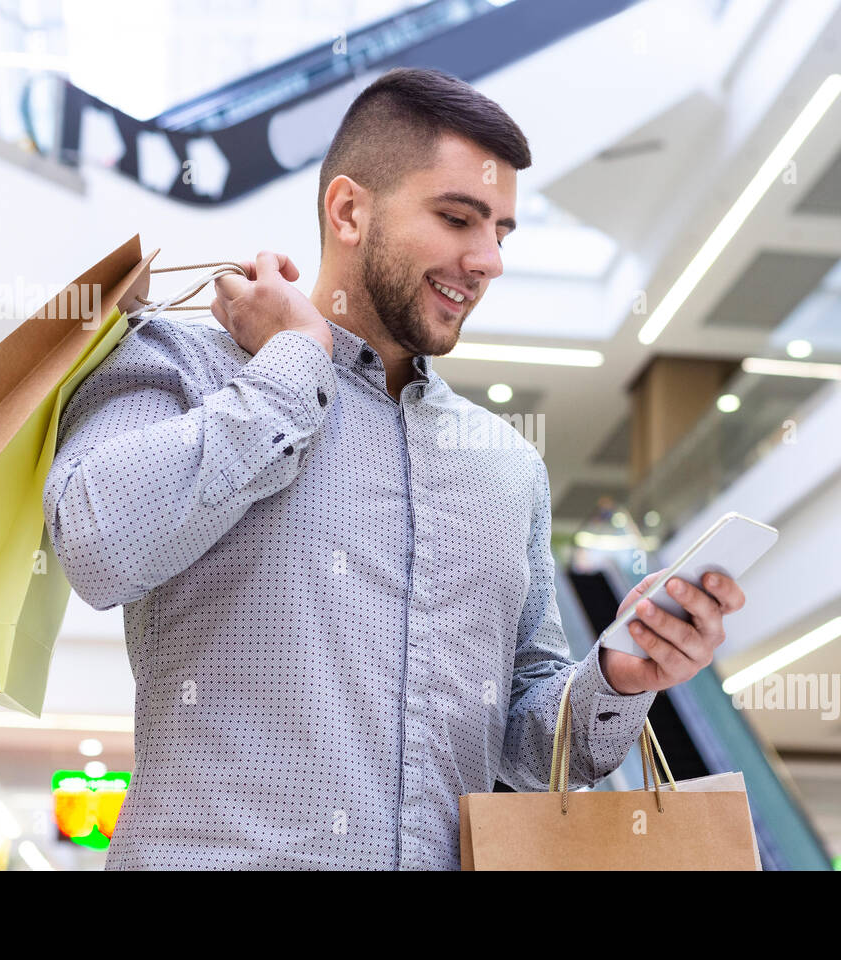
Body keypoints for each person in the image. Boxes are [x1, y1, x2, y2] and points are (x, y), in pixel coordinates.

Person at [43, 67, 745, 870]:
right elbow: (97, 545)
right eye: (457, 218)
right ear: (349, 209)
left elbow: (523, 746)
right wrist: (293, 363)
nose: (487, 261)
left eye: (502, 234)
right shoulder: (184, 363)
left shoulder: (506, 469)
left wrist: (621, 674)